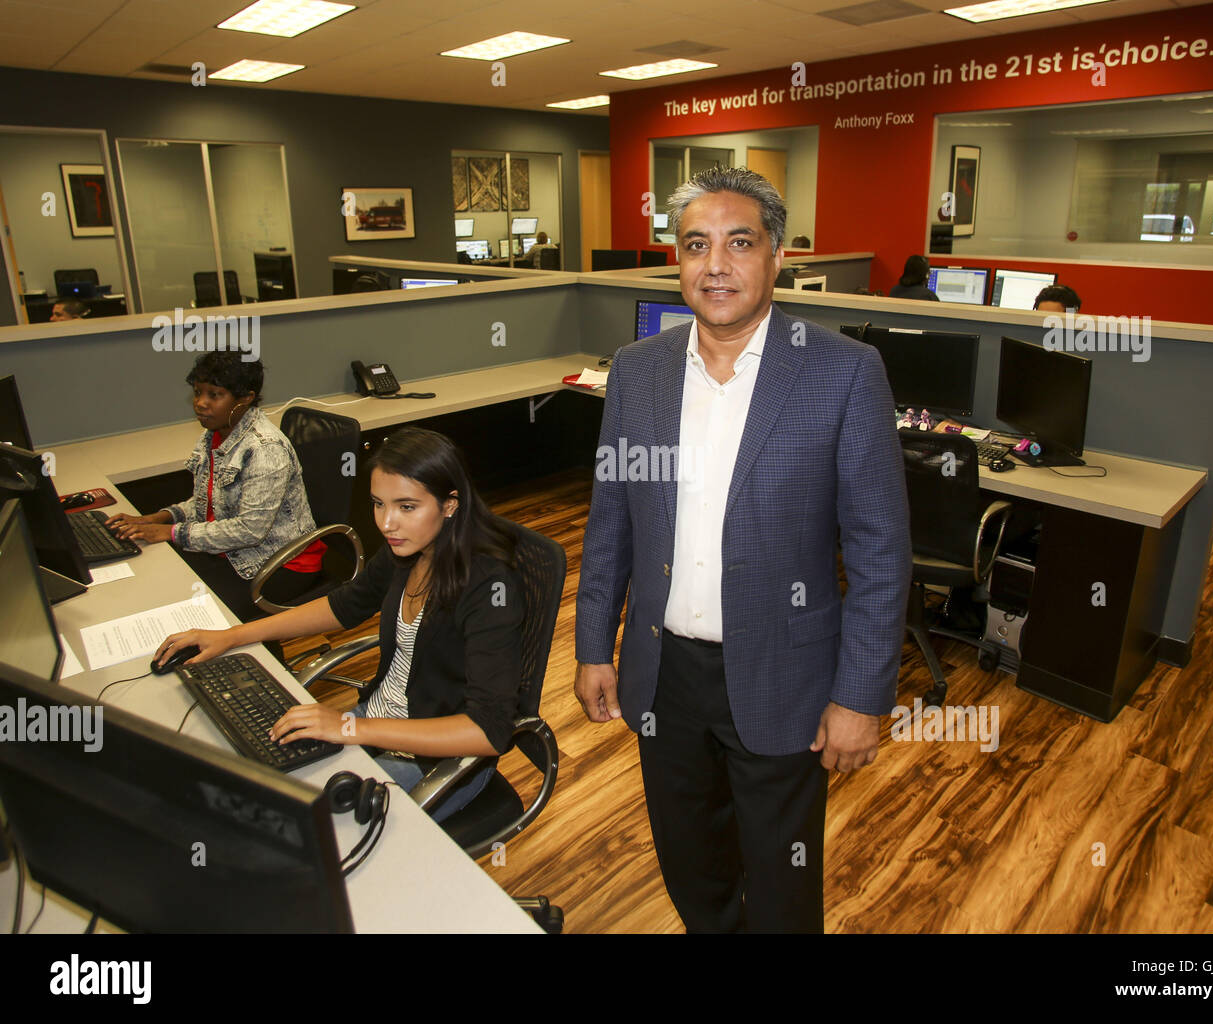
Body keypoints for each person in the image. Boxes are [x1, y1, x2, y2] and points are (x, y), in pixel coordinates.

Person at [573, 166, 911, 933]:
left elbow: (881, 553)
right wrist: (596, 644)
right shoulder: (637, 372)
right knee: (690, 863)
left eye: (739, 243)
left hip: (783, 672)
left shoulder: (844, 373)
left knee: (783, 880)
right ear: (677, 260)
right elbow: (611, 523)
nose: (715, 265)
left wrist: (860, 696)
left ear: (778, 256)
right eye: (696, 245)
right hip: (664, 672)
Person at [153, 427, 523, 822]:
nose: (386, 523)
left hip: (436, 761)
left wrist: (349, 729)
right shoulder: (410, 550)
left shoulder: (488, 587)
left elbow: (486, 732)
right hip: (372, 726)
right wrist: (232, 635)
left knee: (299, 827)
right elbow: (345, 605)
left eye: (407, 507)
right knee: (246, 781)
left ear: (450, 505)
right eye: (378, 504)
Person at [107, 351, 325, 625]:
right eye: (198, 393)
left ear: (245, 398)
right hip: (233, 551)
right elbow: (210, 500)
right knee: (156, 579)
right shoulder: (216, 433)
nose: (200, 403)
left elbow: (250, 530)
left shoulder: (265, 448)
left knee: (189, 612)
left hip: (277, 563)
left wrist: (172, 533)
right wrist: (159, 518)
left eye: (214, 395)